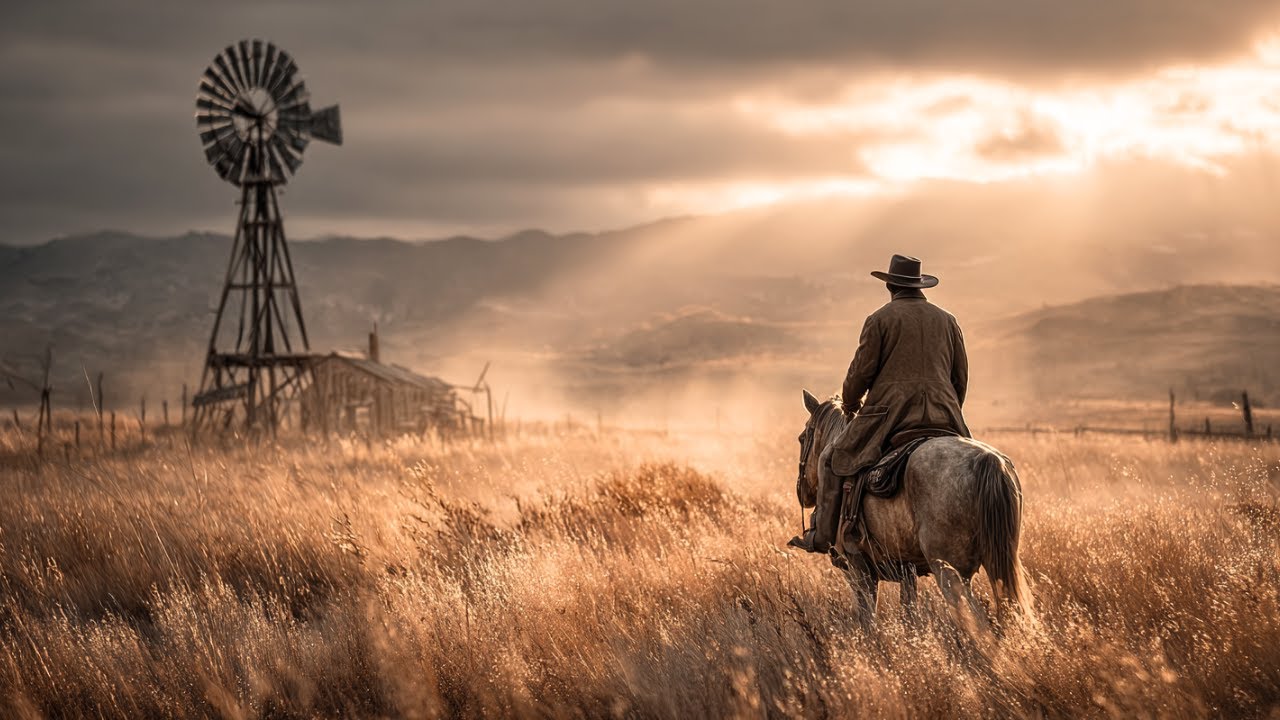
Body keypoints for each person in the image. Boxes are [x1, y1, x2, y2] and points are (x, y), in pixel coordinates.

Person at [799, 254, 972, 554]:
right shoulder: (948, 320)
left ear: (891, 286)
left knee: (831, 458)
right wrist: (948, 407)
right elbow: (960, 378)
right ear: (920, 286)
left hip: (889, 417)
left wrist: (851, 402)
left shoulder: (879, 320)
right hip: (946, 415)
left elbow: (860, 375)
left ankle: (824, 536)